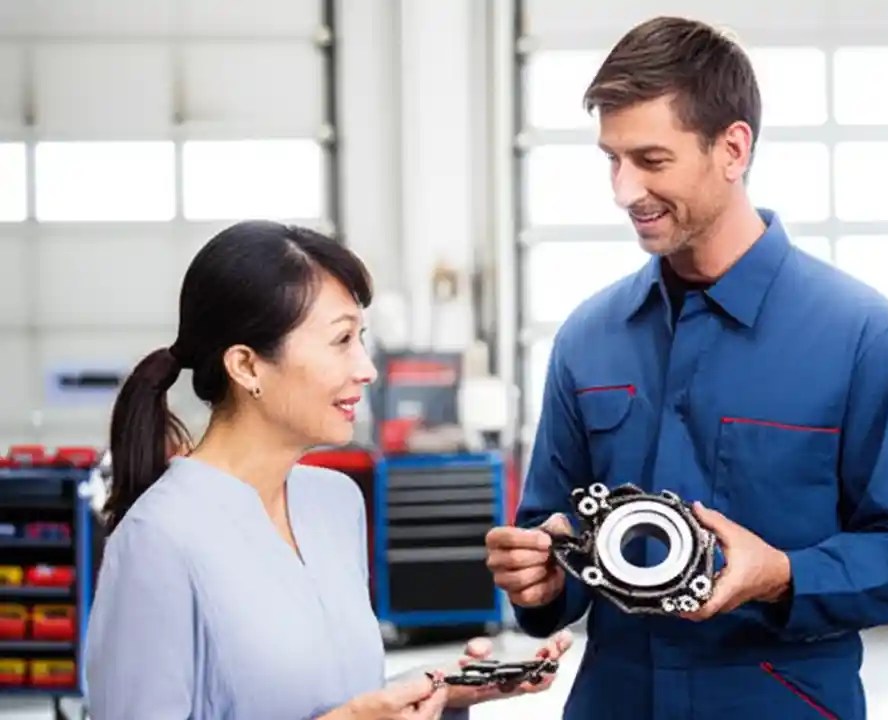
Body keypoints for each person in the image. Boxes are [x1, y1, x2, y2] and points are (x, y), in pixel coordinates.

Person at [484, 15, 888, 720]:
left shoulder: (862, 335)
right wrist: (540, 581)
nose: (622, 189)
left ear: (733, 148)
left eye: (651, 159)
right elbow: (555, 546)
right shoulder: (588, 339)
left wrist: (784, 576)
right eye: (611, 159)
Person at [86, 220, 572, 720]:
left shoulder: (334, 502)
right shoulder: (157, 539)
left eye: (361, 338)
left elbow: (321, 695)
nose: (367, 368)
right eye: (341, 340)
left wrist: (433, 690)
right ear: (247, 366)